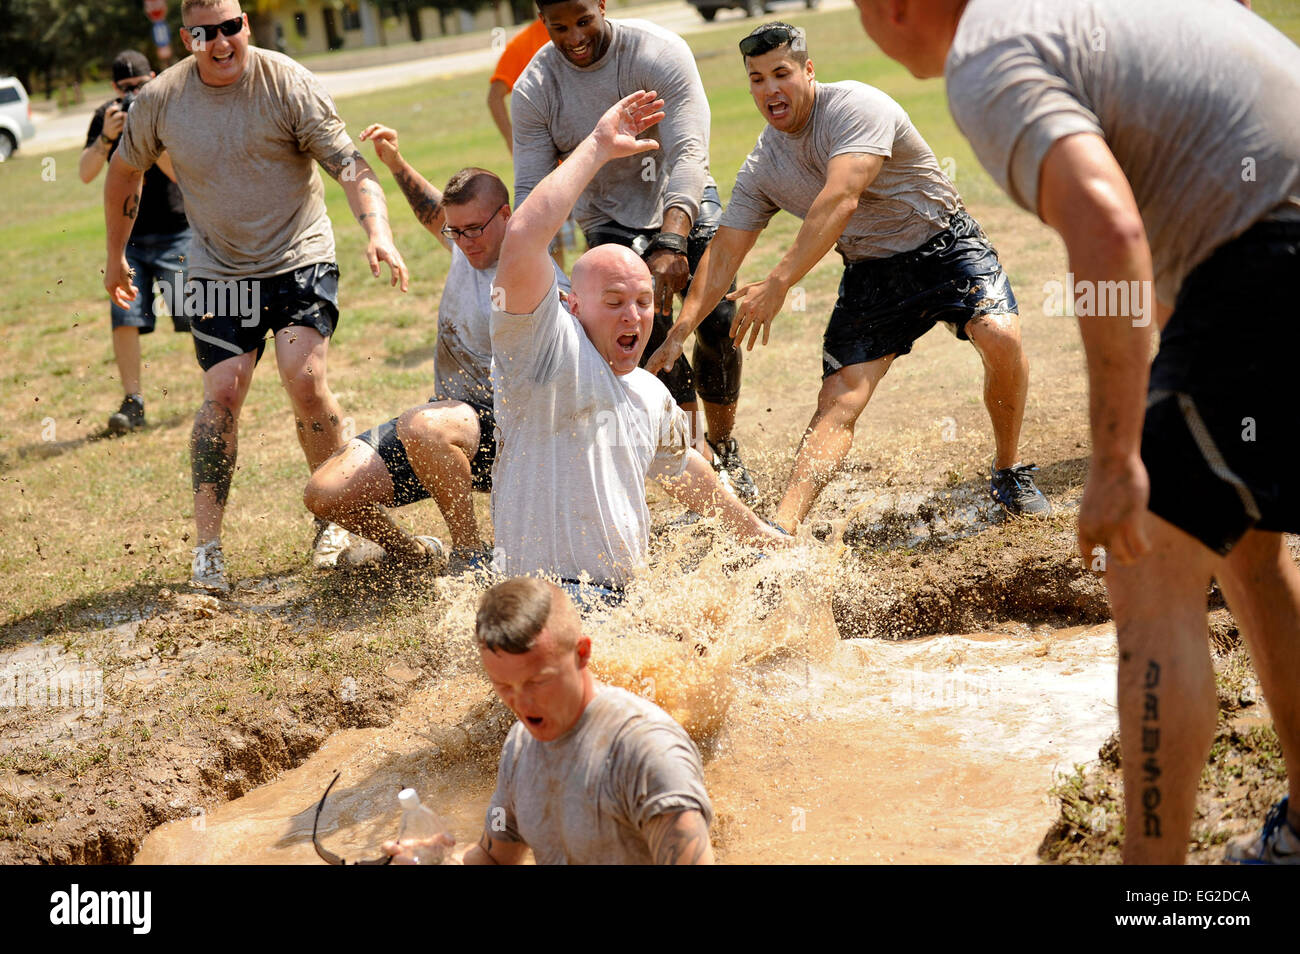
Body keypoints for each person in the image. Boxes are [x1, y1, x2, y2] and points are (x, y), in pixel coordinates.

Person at [852, 0, 1300, 864]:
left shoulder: (988, 55)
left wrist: (1117, 451)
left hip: (1268, 251)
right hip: (1261, 246)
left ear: (892, 6)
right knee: (1246, 547)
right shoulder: (1070, 13)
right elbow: (1163, 249)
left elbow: (1109, 229)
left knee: (1146, 564)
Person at [649, 22, 1048, 534]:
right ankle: (782, 531)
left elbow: (841, 198)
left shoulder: (856, 106)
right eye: (756, 79)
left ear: (808, 71)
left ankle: (1009, 470)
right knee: (840, 398)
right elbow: (724, 251)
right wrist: (679, 333)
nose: (770, 89)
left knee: (1000, 333)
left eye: (781, 73)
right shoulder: (762, 165)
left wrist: (779, 282)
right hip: (870, 273)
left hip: (945, 246)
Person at [103, 0, 408, 594]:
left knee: (305, 377)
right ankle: (208, 551)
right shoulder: (163, 99)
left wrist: (378, 231)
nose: (221, 43)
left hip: (298, 254)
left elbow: (348, 163)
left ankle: (332, 514)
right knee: (222, 394)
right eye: (205, 33)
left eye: (231, 28)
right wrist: (115, 255)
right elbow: (123, 171)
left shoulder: (287, 81)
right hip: (219, 268)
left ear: (244, 24)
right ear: (187, 36)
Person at [490, 91, 788, 607]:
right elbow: (521, 236)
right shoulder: (542, 349)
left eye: (644, 302)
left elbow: (688, 471)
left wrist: (759, 536)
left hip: (623, 605)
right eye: (614, 302)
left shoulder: (650, 394)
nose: (633, 316)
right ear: (572, 304)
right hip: (541, 603)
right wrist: (599, 147)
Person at [511, 0, 758, 504]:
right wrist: (547, 280)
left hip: (680, 197)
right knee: (648, 339)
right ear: (543, 23)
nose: (574, 37)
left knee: (717, 323)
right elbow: (531, 196)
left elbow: (690, 152)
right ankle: (704, 469)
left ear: (603, 4)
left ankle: (725, 444)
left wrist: (672, 238)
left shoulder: (657, 51)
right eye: (559, 27)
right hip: (607, 220)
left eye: (584, 20)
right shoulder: (535, 89)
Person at [304, 134, 566, 574]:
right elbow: (431, 210)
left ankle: (470, 555)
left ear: (507, 216)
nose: (463, 241)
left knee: (421, 424)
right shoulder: (469, 244)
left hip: (515, 438)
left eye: (473, 230)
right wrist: (396, 162)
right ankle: (415, 556)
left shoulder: (533, 273)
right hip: (443, 433)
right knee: (325, 492)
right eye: (455, 231)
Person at [385, 577, 715, 864]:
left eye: (537, 681)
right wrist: (437, 860)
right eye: (504, 686)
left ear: (582, 653)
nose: (521, 703)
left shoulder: (646, 752)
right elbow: (493, 855)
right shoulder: (520, 745)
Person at [79, 50, 192, 436]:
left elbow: (182, 176)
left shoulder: (169, 108)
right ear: (114, 90)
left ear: (154, 78)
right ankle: (134, 401)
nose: (133, 95)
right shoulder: (106, 118)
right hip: (129, 239)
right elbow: (85, 173)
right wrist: (108, 138)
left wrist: (148, 136)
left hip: (177, 231)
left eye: (140, 87)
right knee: (124, 317)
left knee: (196, 313)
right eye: (125, 90)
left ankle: (219, 389)